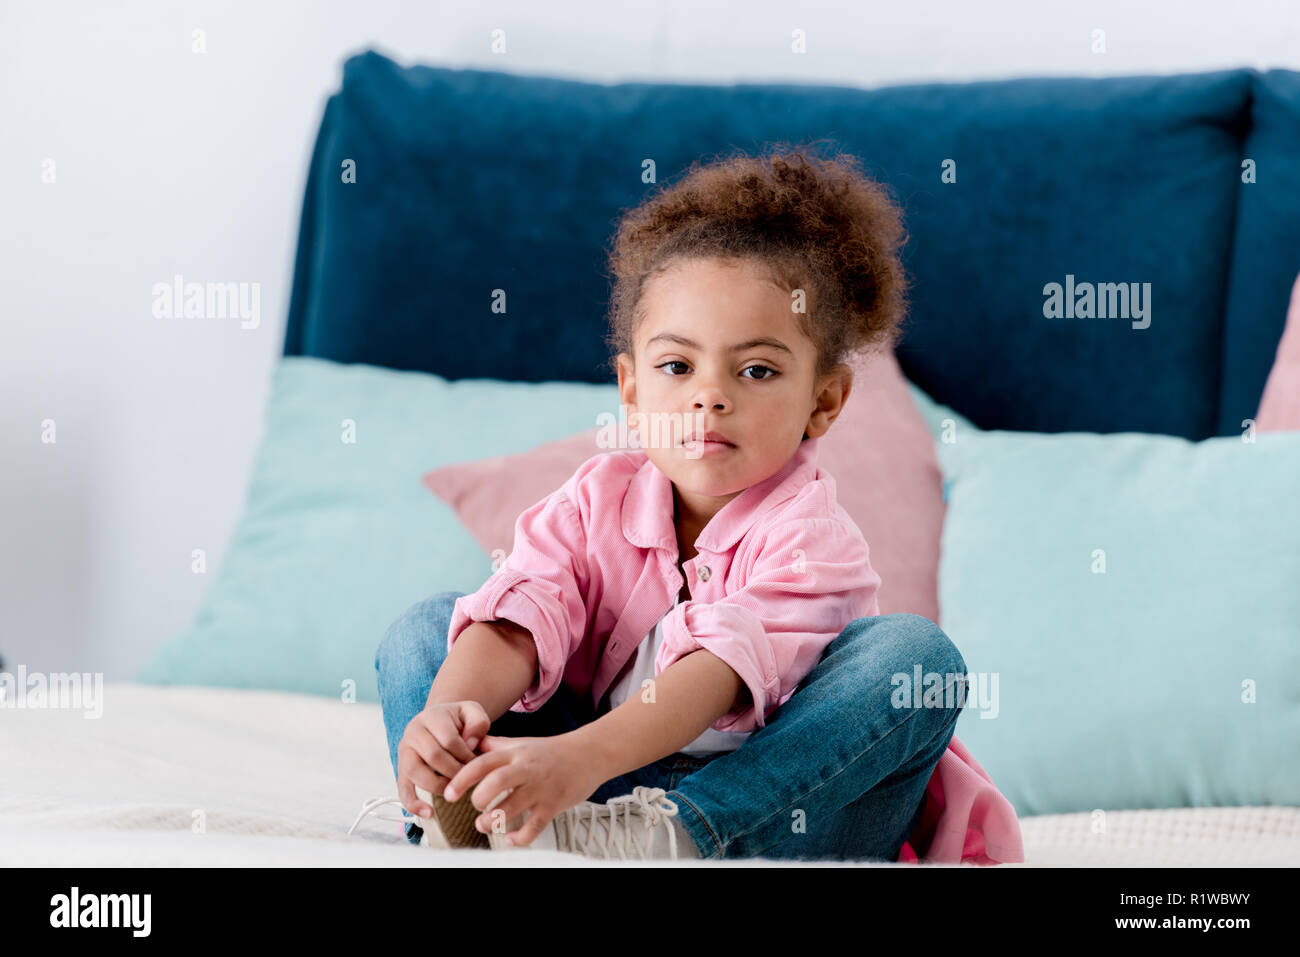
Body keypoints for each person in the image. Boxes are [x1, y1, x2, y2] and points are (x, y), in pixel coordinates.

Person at [366, 145, 1019, 862]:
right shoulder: (594, 501)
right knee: (429, 630)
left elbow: (715, 670)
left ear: (824, 399)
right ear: (634, 390)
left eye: (758, 369)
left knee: (917, 658)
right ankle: (463, 813)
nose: (711, 395)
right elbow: (524, 617)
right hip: (580, 792)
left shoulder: (811, 536)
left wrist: (578, 761)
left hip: (776, 815)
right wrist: (448, 715)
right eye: (677, 366)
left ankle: (671, 836)